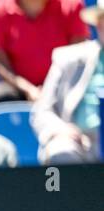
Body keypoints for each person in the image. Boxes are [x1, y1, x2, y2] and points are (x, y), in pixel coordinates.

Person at [32, 5, 104, 163]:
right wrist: (61, 129)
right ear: (99, 25)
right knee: (60, 151)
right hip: (81, 142)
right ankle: (55, 189)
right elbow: (42, 111)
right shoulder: (68, 58)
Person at [0, 0, 91, 102]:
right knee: (0, 95)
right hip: (20, 90)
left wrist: (51, 90)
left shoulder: (72, 5)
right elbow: (1, 65)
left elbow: (78, 59)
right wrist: (29, 90)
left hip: (64, 86)